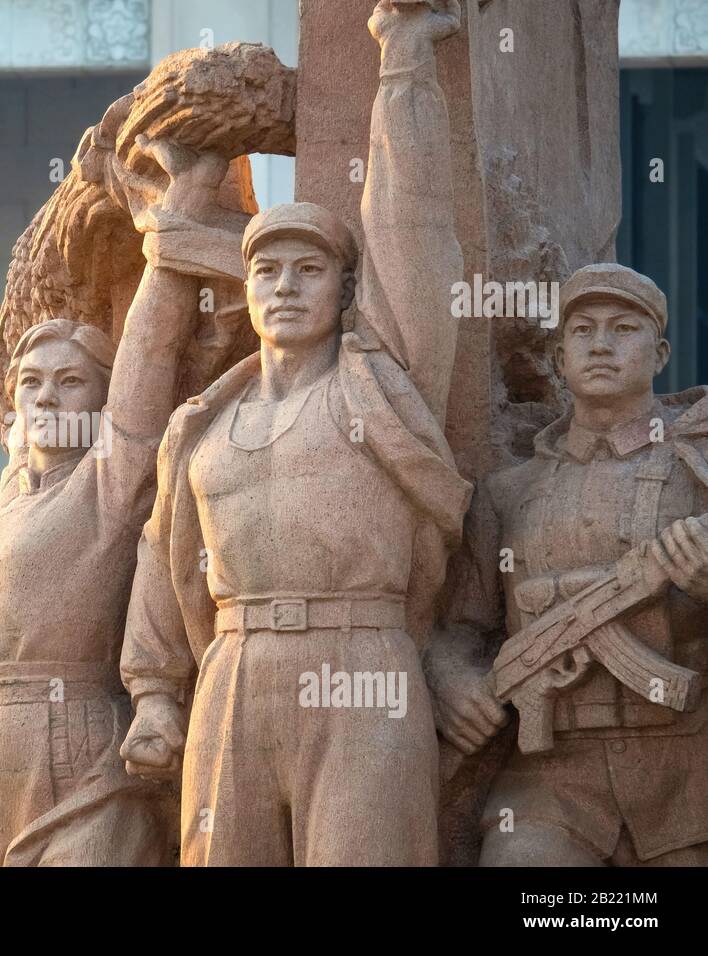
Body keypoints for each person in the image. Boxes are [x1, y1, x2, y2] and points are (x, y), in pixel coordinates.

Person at [117, 0, 469, 865]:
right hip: (233, 675)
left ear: (345, 291)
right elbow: (163, 564)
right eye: (265, 269)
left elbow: (411, 225)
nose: (282, 286)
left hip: (364, 667)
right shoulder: (200, 428)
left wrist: (404, 61)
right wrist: (158, 697)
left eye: (308, 269)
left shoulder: (384, 385)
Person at [0, 132, 245, 866]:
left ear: (103, 405)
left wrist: (182, 206)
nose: (46, 396)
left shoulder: (109, 483)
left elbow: (149, 357)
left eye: (71, 382)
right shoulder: (1, 510)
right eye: (31, 383)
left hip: (78, 754)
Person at [428, 262, 708, 866]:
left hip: (688, 771)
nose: (601, 344)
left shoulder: (700, 472)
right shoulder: (507, 493)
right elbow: (459, 630)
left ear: (659, 353)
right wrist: (451, 682)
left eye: (623, 328)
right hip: (552, 779)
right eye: (582, 331)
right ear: (558, 359)